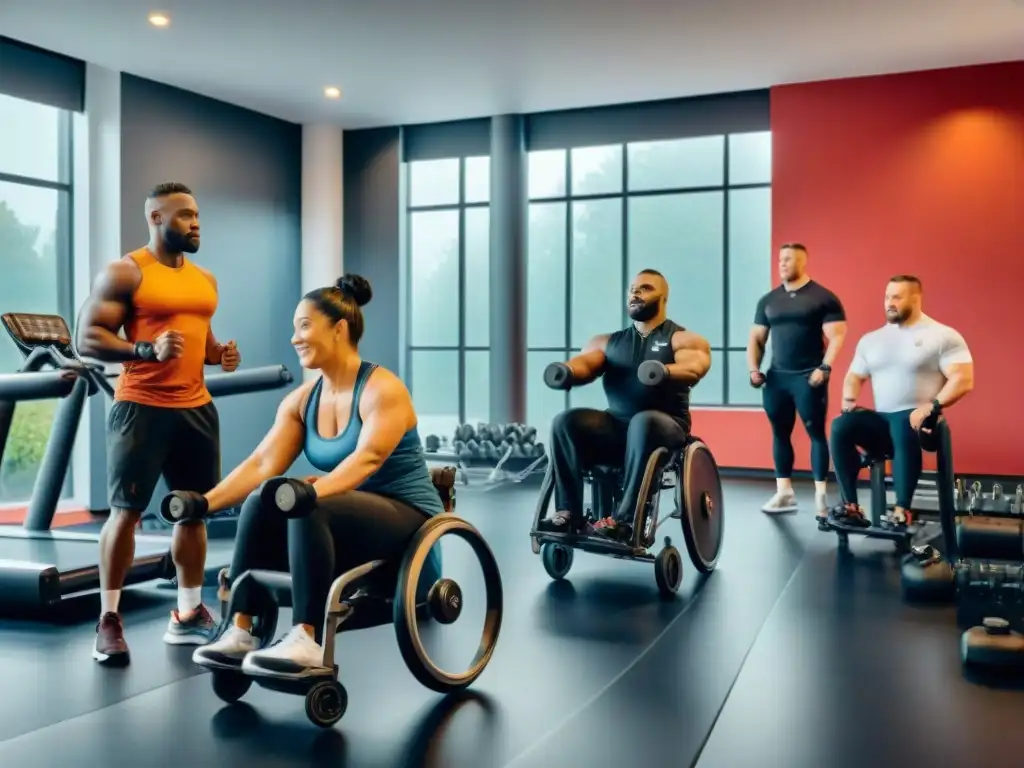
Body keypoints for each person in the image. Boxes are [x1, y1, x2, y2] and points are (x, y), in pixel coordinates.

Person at [192, 274, 445, 672]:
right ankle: (240, 629)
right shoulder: (303, 400)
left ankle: (307, 637)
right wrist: (203, 504)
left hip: (409, 519)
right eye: (294, 329)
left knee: (308, 505)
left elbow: (367, 459)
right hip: (351, 513)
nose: (295, 338)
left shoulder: (383, 390)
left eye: (304, 326)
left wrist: (313, 491)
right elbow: (261, 464)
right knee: (265, 494)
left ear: (339, 329)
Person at [76, 182, 241, 666]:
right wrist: (144, 350)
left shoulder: (205, 279)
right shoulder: (125, 272)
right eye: (185, 215)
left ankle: (187, 614)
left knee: (194, 512)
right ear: (155, 218)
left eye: (198, 215)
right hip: (141, 407)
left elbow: (200, 339)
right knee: (125, 512)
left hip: (195, 407)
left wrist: (219, 354)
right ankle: (108, 620)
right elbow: (88, 337)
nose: (196, 223)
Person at [539, 269, 712, 542]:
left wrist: (664, 371)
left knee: (644, 422)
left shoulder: (681, 338)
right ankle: (569, 513)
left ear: (663, 298)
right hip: (618, 427)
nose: (635, 293)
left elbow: (695, 365)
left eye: (645, 289)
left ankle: (625, 521)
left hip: (666, 428)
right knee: (565, 422)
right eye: (632, 289)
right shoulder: (609, 342)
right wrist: (567, 371)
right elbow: (587, 364)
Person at [829, 275, 974, 529]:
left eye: (897, 296)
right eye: (887, 297)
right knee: (842, 425)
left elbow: (963, 379)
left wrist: (933, 406)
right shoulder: (872, 340)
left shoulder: (942, 335)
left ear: (916, 299)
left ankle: (901, 510)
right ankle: (851, 507)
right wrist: (849, 400)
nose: (889, 302)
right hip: (884, 424)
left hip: (923, 424)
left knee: (903, 419)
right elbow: (854, 375)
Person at [747, 243, 847, 519]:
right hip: (778, 378)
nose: (782, 263)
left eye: (788, 259)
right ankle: (784, 493)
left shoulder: (823, 297)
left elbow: (837, 335)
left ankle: (820, 498)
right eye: (780, 259)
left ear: (803, 262)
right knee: (780, 433)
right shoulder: (768, 301)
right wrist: (754, 369)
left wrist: (824, 367)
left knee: (816, 434)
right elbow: (756, 338)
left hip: (808, 377)